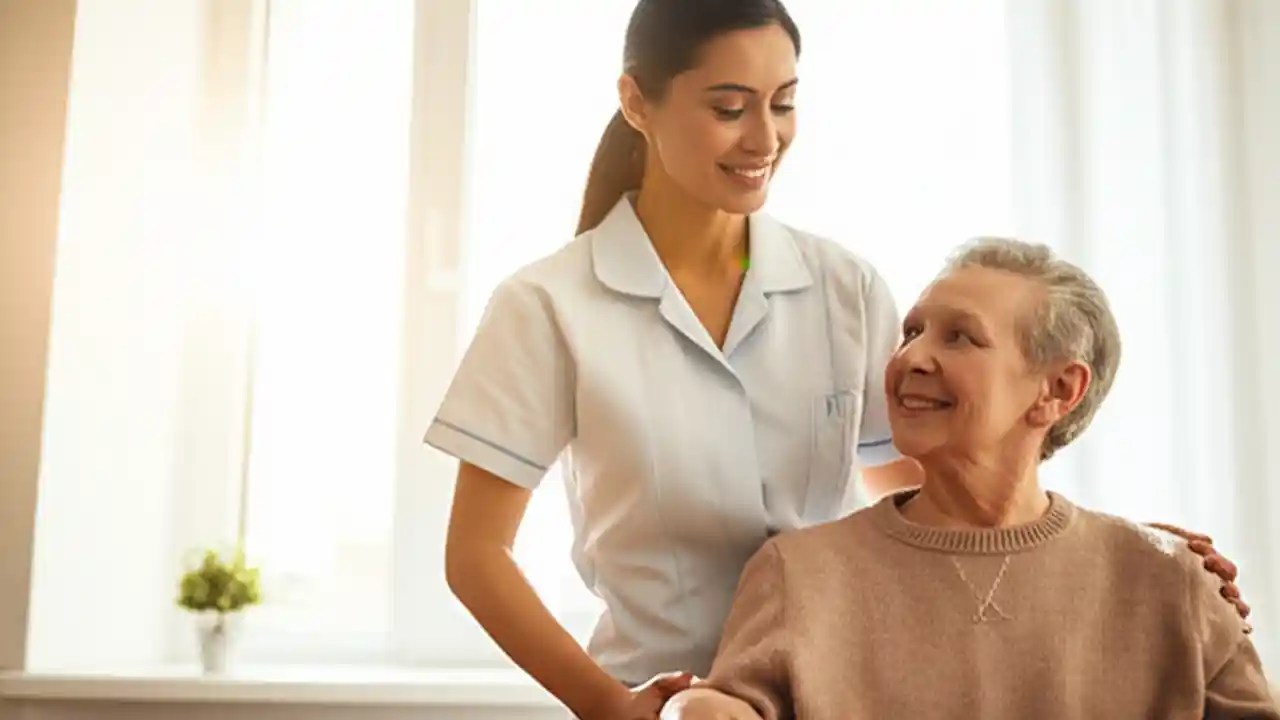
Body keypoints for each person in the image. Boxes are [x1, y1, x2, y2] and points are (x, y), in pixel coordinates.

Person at [425, 1, 1244, 718]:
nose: (765, 138)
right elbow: (476, 557)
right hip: (666, 698)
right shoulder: (549, 305)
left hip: (834, 690)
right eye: (729, 107)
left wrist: (1122, 559)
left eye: (783, 104)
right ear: (637, 102)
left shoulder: (842, 287)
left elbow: (932, 491)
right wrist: (609, 706)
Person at [664, 239, 1276, 720]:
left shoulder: (1172, 580)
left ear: (1058, 390)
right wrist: (694, 706)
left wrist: (1164, 566)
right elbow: (726, 708)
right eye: (911, 332)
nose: (910, 359)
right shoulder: (798, 574)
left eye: (959, 337)